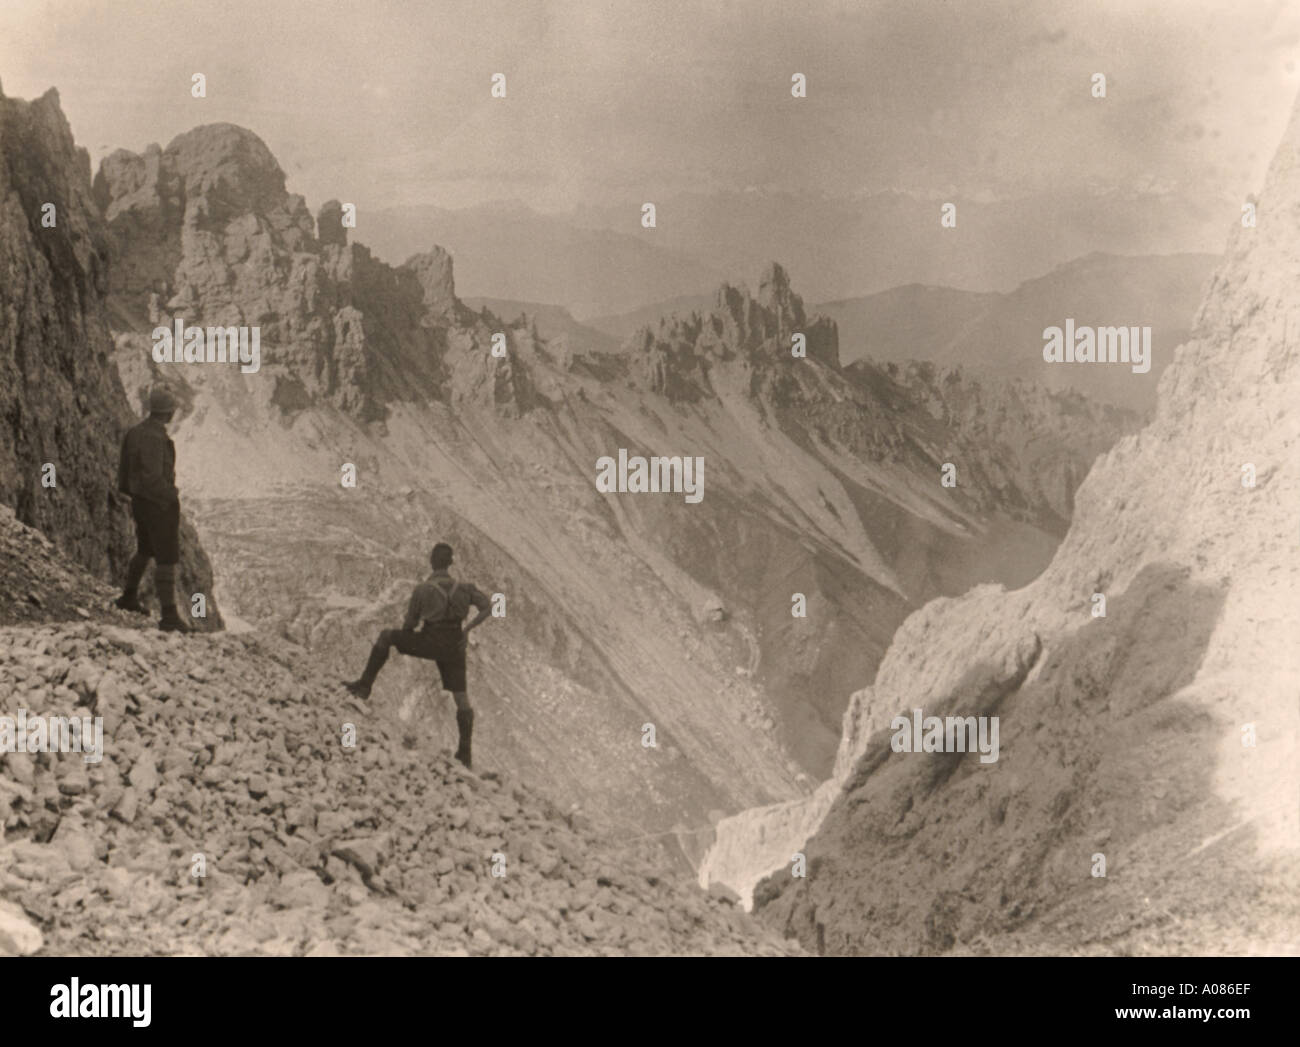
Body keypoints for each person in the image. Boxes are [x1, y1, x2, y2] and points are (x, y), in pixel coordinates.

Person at [345, 543, 492, 768]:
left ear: (432, 561)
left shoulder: (423, 589)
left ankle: (364, 686)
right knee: (461, 698)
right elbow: (489, 606)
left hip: (429, 641)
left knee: (386, 636)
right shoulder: (465, 588)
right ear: (450, 563)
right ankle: (465, 754)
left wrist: (408, 639)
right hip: (454, 646)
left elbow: (409, 625)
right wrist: (467, 629)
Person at [115, 386, 190, 633]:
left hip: (139, 501)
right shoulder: (155, 437)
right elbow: (154, 478)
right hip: (158, 504)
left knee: (144, 549)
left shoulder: (135, 432)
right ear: (167, 412)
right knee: (166, 558)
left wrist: (131, 493)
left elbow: (125, 471)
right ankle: (169, 617)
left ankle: (128, 597)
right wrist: (171, 497)